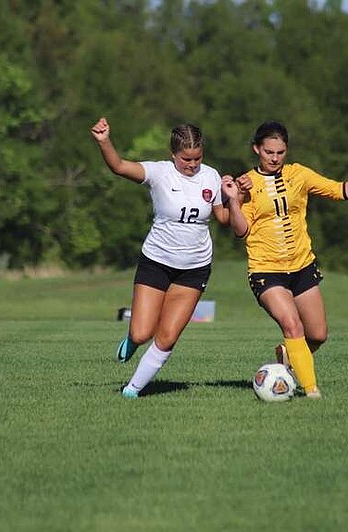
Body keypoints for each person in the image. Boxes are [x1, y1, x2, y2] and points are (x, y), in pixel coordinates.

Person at [222, 121, 348, 398]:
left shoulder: (299, 174)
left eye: (280, 152)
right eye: (269, 152)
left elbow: (337, 190)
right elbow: (240, 231)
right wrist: (235, 200)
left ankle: (288, 354)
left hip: (302, 266)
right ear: (256, 149)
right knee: (292, 325)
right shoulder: (246, 183)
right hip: (266, 270)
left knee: (317, 335)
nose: (274, 158)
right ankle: (311, 390)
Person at [90, 117, 244, 398]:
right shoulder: (159, 173)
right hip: (157, 263)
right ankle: (132, 341)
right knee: (140, 333)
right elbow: (119, 166)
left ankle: (132, 390)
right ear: (173, 154)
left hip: (194, 269)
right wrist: (104, 141)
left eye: (197, 158)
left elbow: (222, 217)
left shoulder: (211, 176)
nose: (193, 164)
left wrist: (236, 199)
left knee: (168, 336)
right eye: (186, 159)